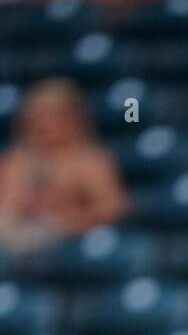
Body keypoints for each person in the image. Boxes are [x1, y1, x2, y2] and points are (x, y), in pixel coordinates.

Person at [0, 78, 127, 255]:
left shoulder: (90, 159)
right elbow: (6, 205)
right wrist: (24, 203)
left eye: (53, 116)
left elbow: (113, 207)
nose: (44, 125)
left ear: (74, 119)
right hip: (15, 236)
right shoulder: (16, 160)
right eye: (37, 117)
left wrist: (72, 218)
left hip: (67, 240)